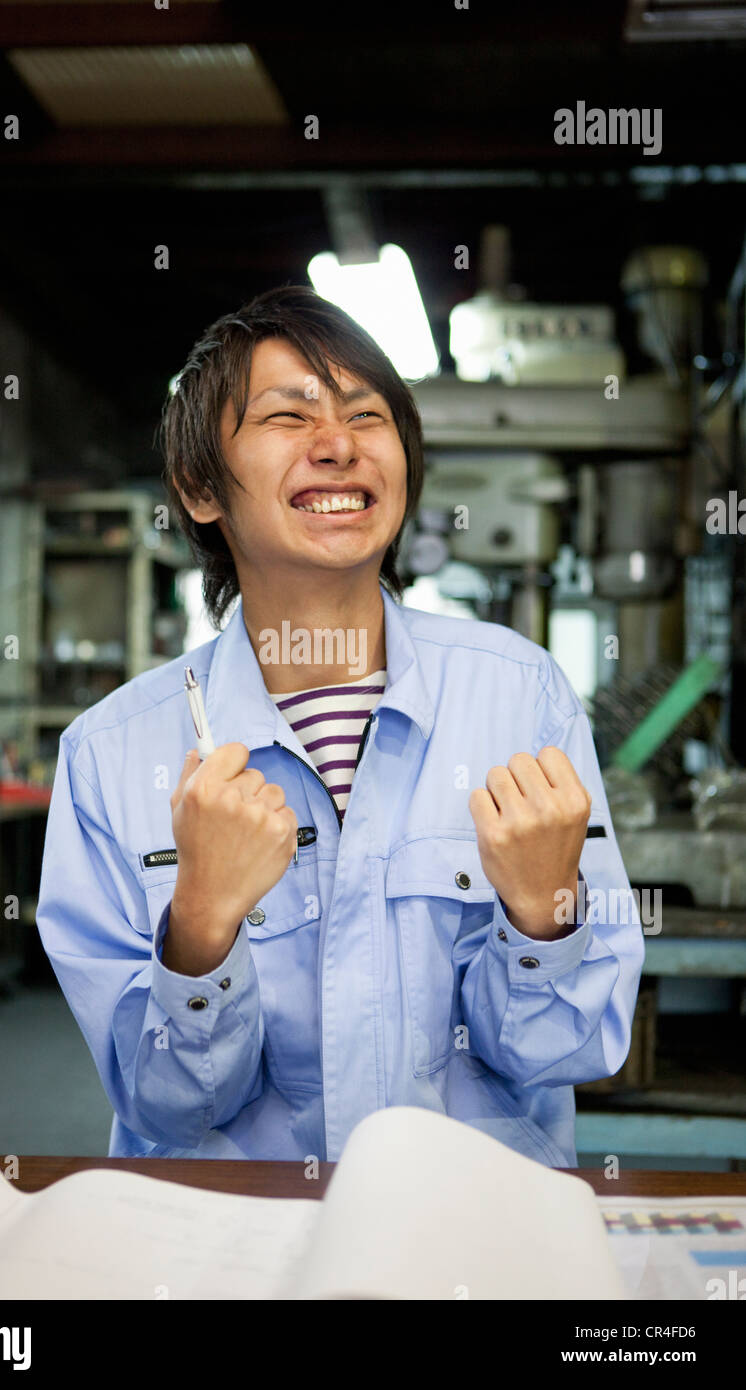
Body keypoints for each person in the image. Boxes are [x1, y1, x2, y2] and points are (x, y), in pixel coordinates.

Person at [36, 284, 644, 1164]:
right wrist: (201, 922)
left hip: (469, 1247)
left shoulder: (520, 698)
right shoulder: (112, 755)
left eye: (368, 416)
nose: (338, 446)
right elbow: (167, 1109)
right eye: (288, 417)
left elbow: (567, 1053)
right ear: (201, 488)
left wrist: (544, 916)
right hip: (233, 1260)